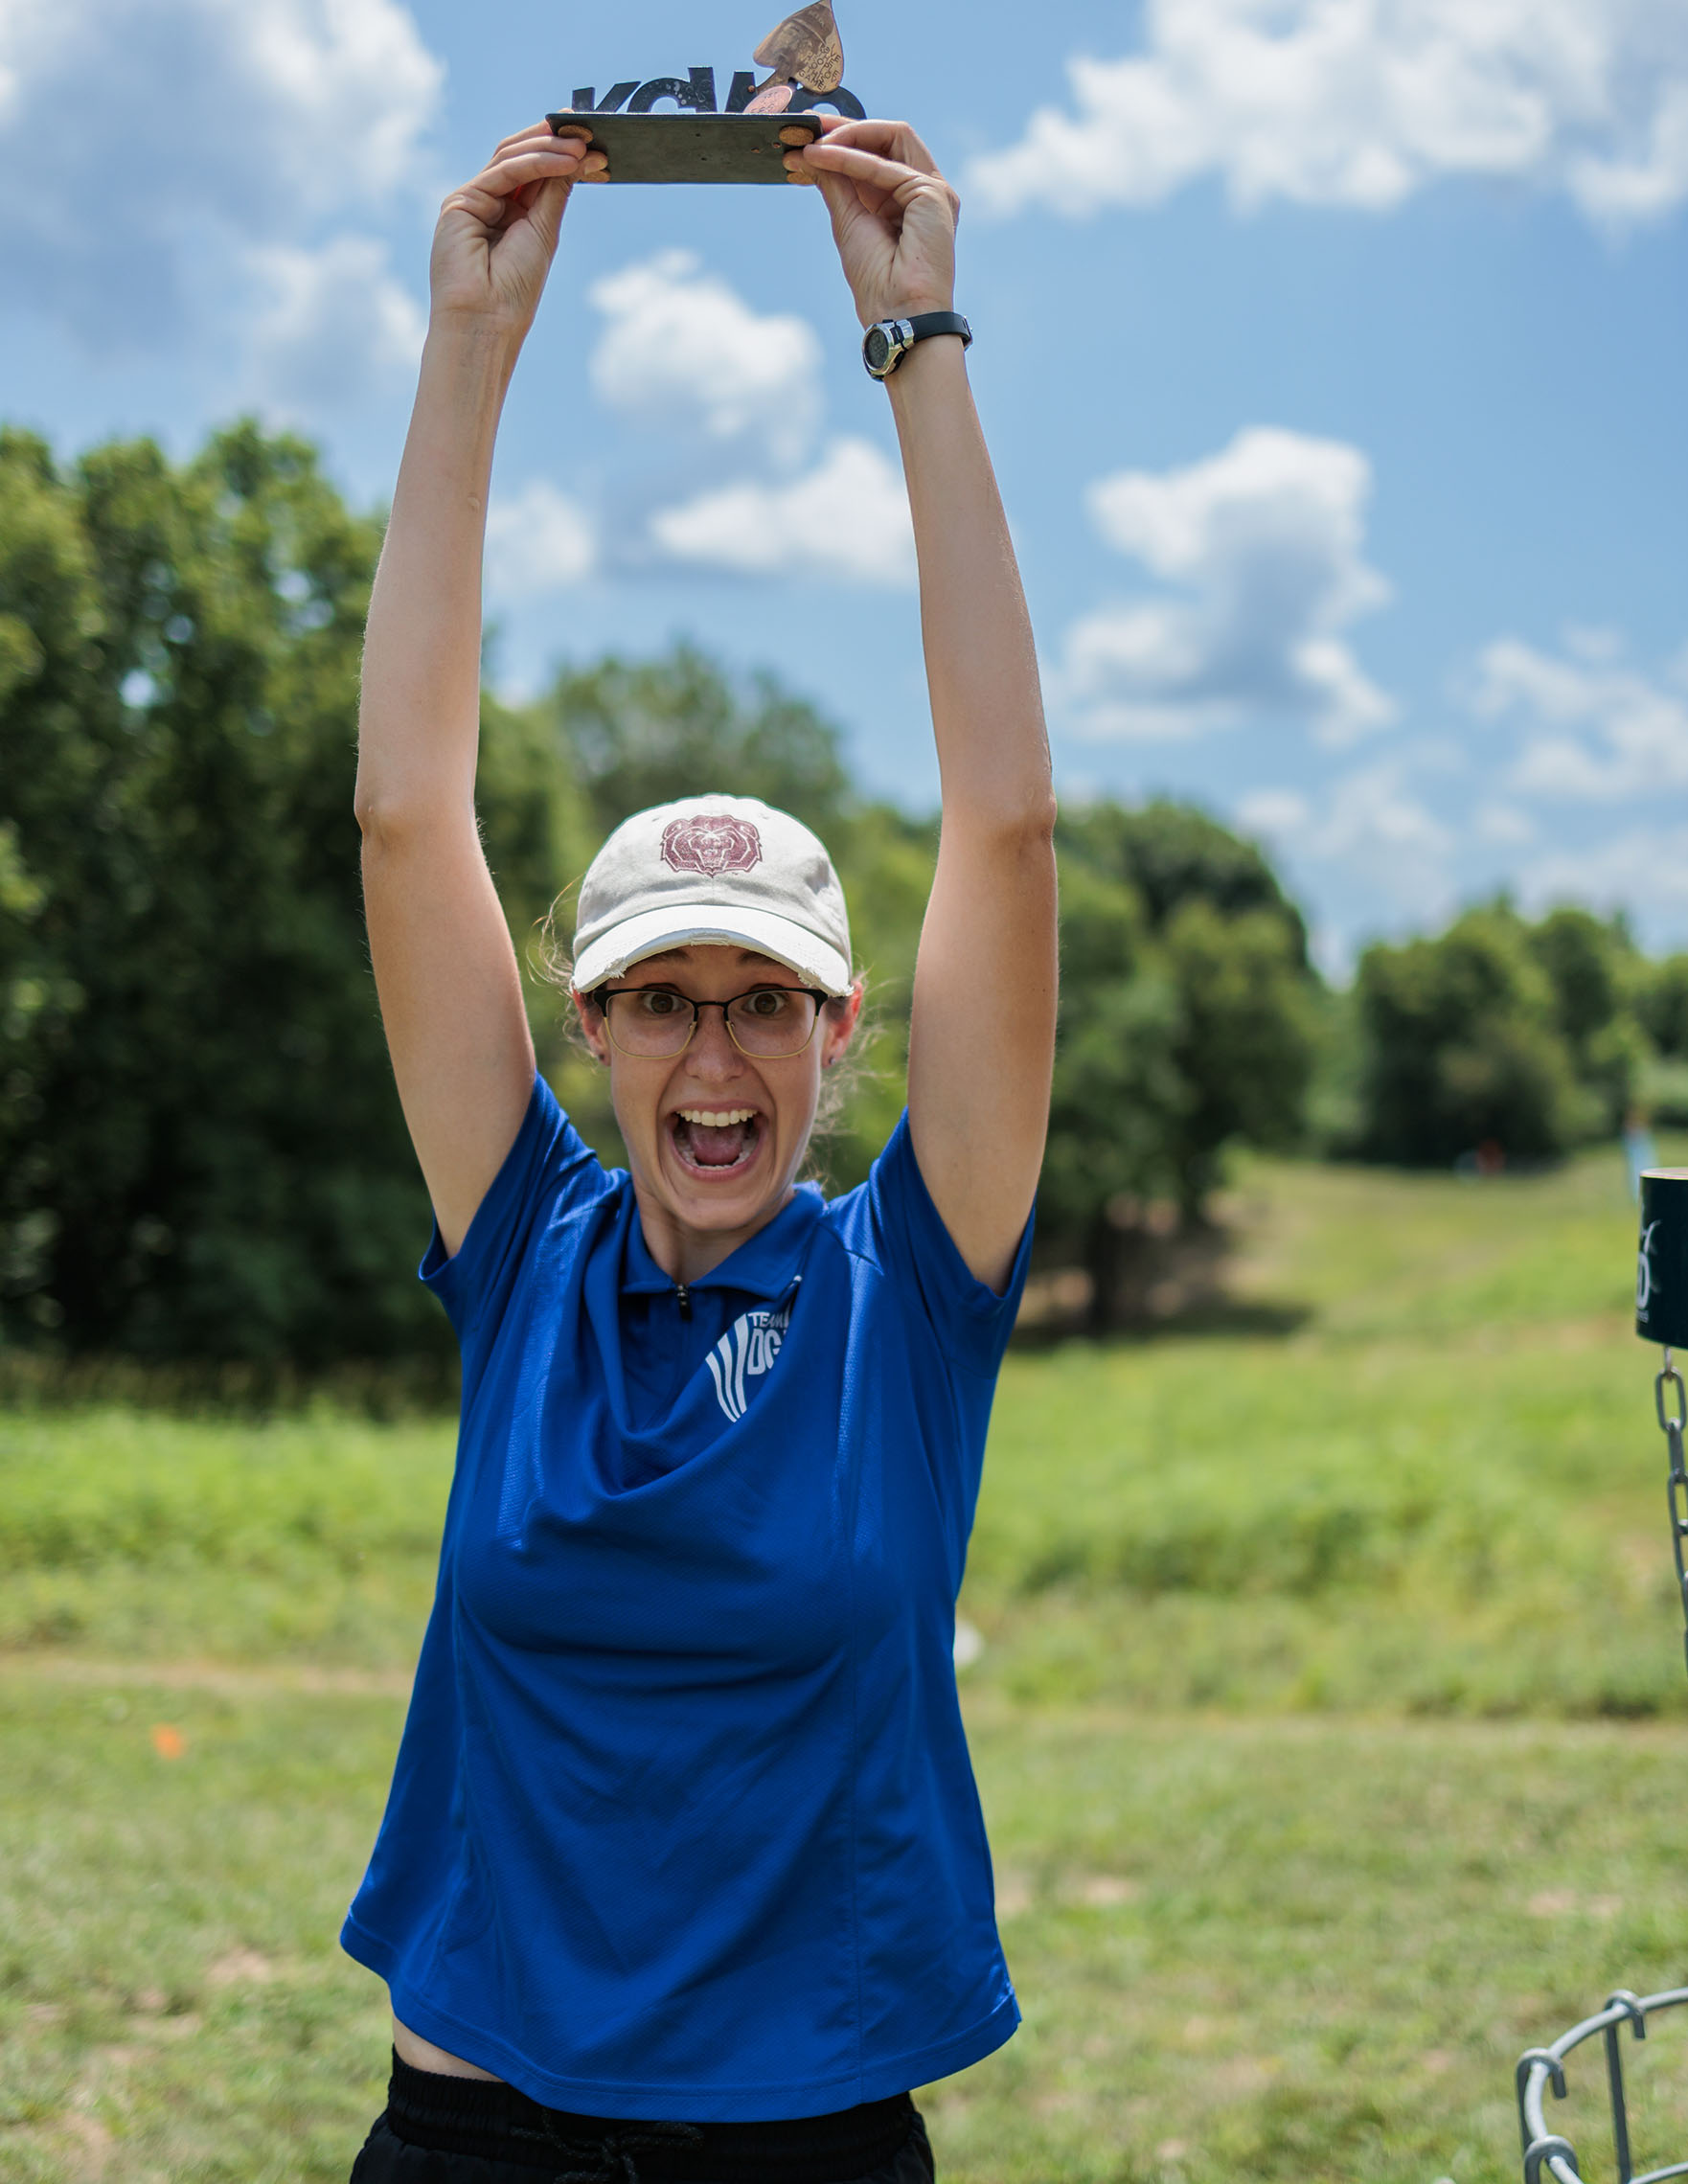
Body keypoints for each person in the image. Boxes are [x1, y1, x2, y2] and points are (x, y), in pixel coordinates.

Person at [345, 108, 1057, 2184]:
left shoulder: (907, 1291)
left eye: (766, 1000)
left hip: (801, 2145)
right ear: (591, 1027)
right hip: (473, 2130)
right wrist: (467, 348)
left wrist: (918, 341)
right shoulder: (526, 1253)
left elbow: (1006, 827)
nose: (715, 1052)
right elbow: (405, 813)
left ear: (842, 1034)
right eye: (663, 997)